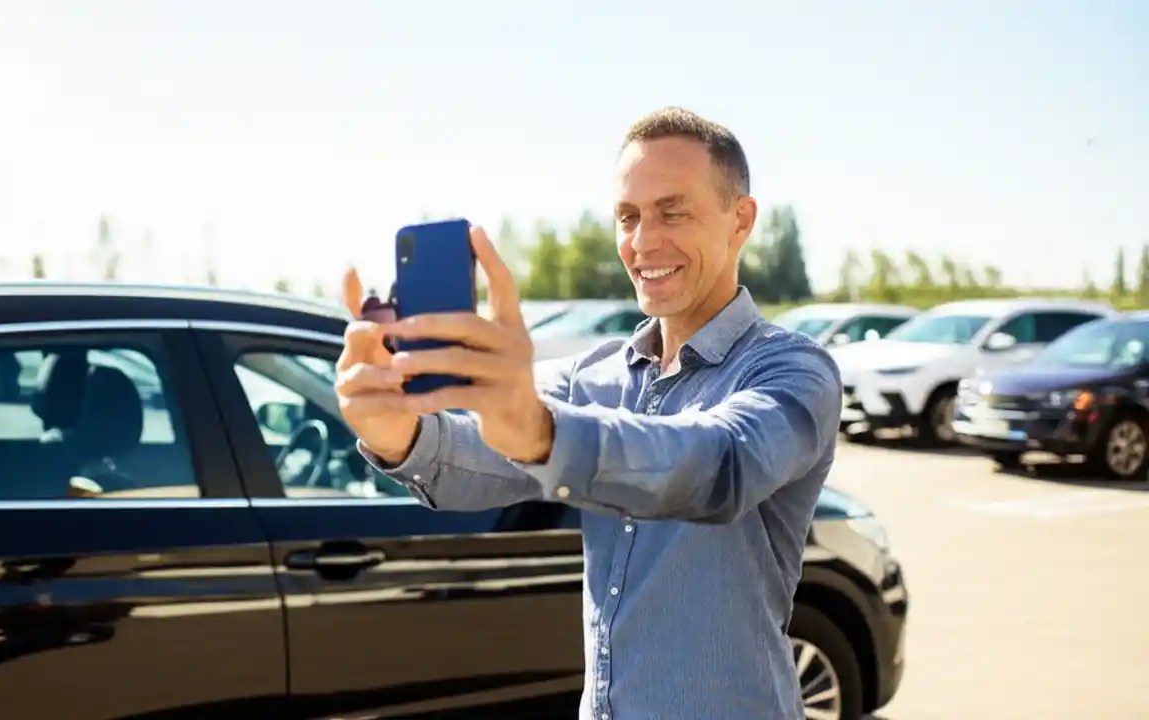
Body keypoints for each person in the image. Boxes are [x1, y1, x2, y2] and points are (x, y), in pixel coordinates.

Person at [334, 107, 843, 720]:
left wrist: (540, 431)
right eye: (628, 217)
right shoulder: (593, 376)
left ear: (741, 220)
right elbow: (484, 452)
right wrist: (400, 434)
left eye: (672, 212)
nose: (643, 242)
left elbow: (721, 464)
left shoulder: (794, 370)